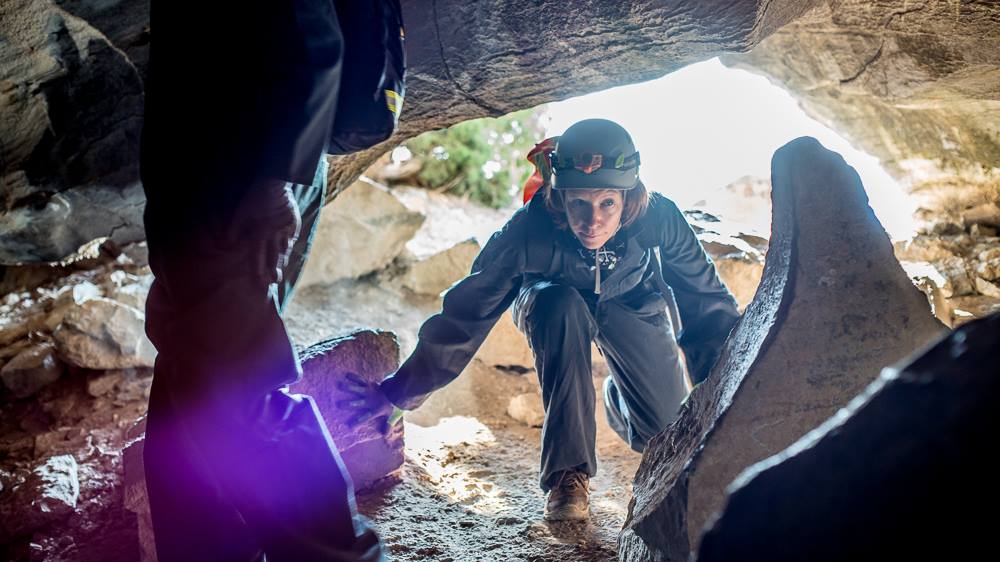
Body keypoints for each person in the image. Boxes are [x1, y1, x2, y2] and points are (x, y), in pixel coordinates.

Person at [344, 118, 740, 521]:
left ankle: (617, 398)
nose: (592, 221)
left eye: (607, 203)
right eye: (578, 204)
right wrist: (401, 393)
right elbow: (466, 312)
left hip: (631, 300)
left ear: (628, 198)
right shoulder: (529, 228)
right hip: (551, 301)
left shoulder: (660, 217)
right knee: (561, 307)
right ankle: (568, 475)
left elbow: (706, 301)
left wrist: (727, 398)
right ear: (560, 197)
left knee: (663, 433)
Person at [140, 2, 385, 560]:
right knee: (188, 392)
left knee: (239, 393)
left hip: (241, 178)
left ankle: (339, 556)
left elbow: (313, 34)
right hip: (203, 179)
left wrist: (278, 175)